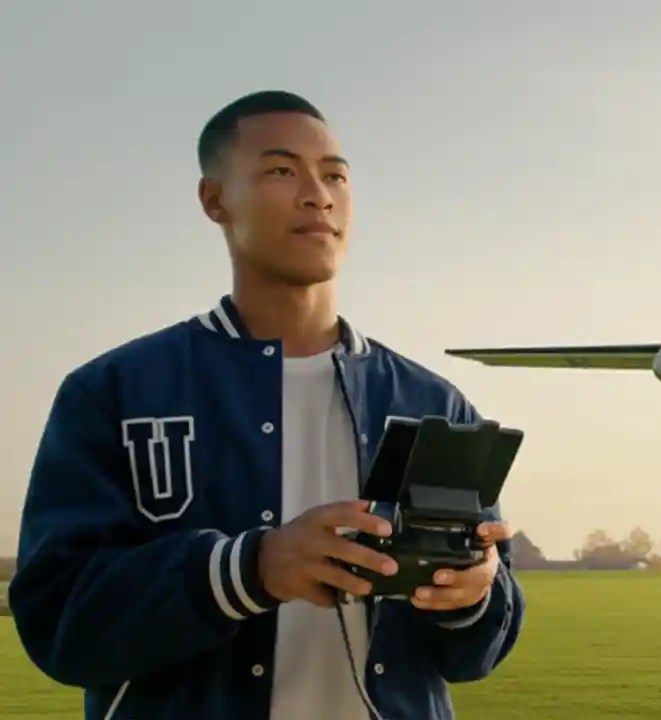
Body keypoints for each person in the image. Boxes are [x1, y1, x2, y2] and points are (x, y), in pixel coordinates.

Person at [8, 90, 524, 720]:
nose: (318, 194)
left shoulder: (434, 403)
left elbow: (475, 653)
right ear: (214, 199)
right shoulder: (112, 392)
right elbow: (58, 623)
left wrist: (471, 594)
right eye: (282, 170)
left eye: (335, 175)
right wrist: (248, 569)